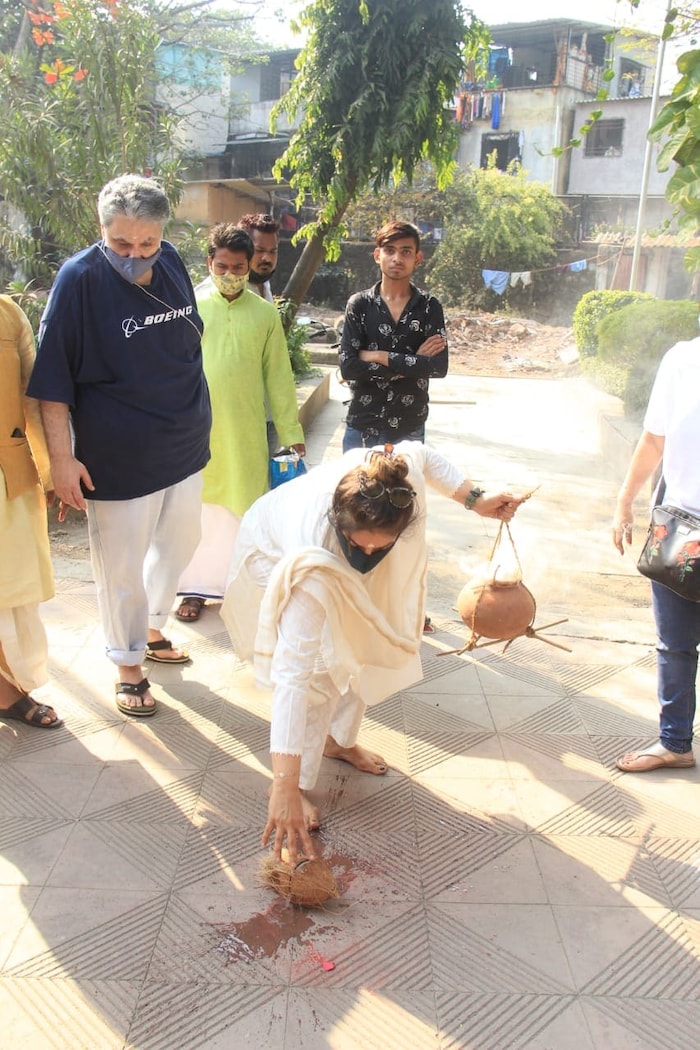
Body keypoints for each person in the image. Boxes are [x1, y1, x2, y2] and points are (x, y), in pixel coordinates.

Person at [222, 441, 527, 863]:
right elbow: (290, 676)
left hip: (334, 546)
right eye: (358, 545)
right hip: (271, 550)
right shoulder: (311, 553)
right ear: (338, 521)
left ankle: (338, 741)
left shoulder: (400, 481)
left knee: (363, 642)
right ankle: (302, 783)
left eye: (378, 547)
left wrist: (476, 500)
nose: (367, 555)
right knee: (318, 672)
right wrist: (283, 786)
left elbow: (423, 454)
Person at [27, 174, 211, 718]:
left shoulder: (173, 261)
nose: (134, 255)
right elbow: (53, 382)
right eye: (121, 244)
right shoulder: (78, 280)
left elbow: (188, 340)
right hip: (119, 452)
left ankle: (151, 624)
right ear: (101, 230)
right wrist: (62, 458)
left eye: (146, 244)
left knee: (182, 542)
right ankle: (128, 663)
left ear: (163, 234)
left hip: (183, 441)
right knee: (121, 565)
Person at [176, 224, 305, 621]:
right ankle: (193, 591)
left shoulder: (265, 315)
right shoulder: (190, 309)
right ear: (209, 263)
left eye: (238, 267)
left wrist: (292, 434)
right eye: (222, 266)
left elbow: (279, 379)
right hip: (196, 431)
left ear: (250, 267)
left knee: (243, 512)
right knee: (198, 511)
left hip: (247, 432)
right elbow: (172, 369)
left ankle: (237, 590)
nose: (230, 274)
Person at [612, 333, 700, 773]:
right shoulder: (682, 360)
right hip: (682, 529)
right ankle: (675, 743)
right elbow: (654, 440)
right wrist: (623, 501)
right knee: (675, 645)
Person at [0, 296, 62, 729]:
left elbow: (33, 398)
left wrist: (51, 470)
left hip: (10, 475)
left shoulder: (8, 314)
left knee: (11, 590)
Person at [339, 219, 448, 453]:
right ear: (378, 255)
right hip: (362, 425)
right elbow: (348, 367)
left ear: (417, 258)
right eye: (390, 251)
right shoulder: (359, 305)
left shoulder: (429, 307)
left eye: (405, 252)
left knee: (404, 491)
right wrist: (412, 363)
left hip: (409, 428)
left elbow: (438, 367)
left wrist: (378, 355)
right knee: (355, 490)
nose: (397, 259)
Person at [236, 213, 280, 302]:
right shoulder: (227, 290)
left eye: (273, 251)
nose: (267, 258)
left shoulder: (264, 284)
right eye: (259, 250)